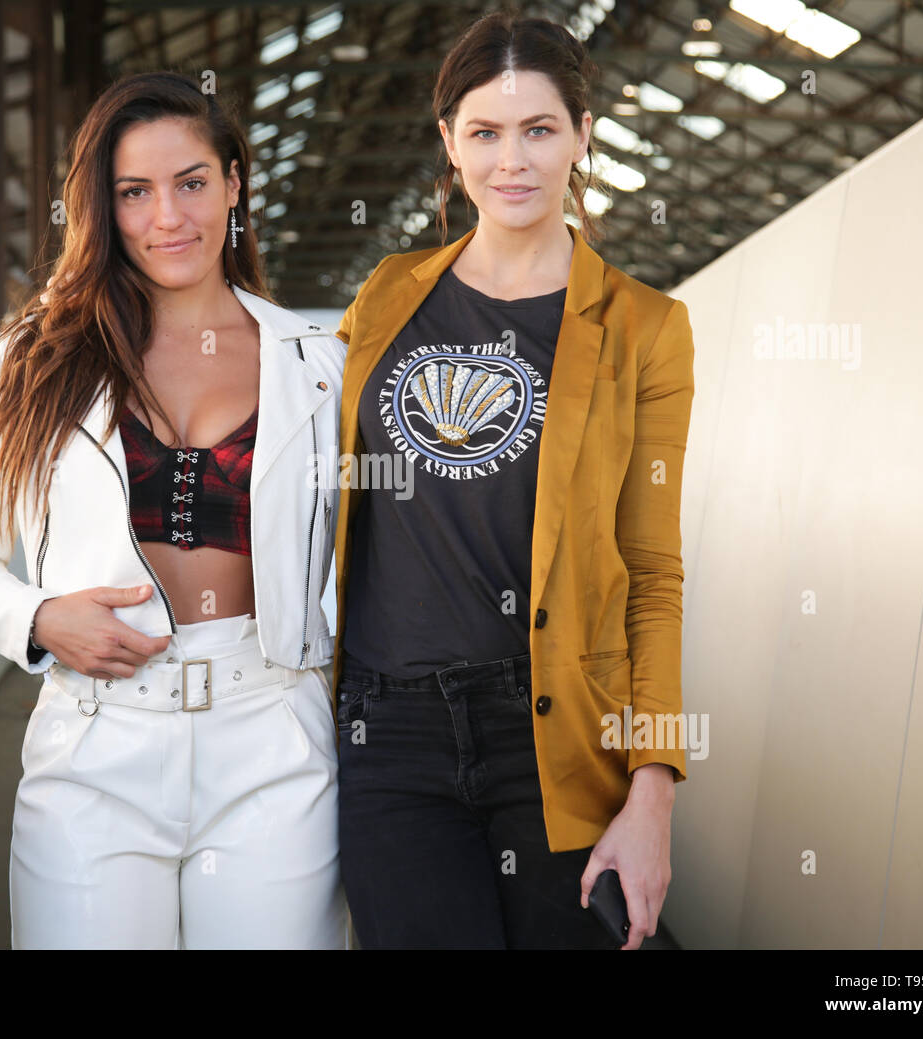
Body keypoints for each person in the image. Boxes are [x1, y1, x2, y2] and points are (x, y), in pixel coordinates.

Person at [0, 72, 347, 950]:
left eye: (191, 182)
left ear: (233, 184)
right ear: (102, 209)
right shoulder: (36, 357)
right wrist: (37, 616)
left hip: (271, 742)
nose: (168, 217)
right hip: (95, 747)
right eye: (134, 193)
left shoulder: (317, 361)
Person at [330, 11, 695, 949]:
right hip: (389, 726)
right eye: (485, 133)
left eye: (539, 129)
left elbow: (651, 572)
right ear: (448, 143)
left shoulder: (645, 327)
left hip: (555, 730)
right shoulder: (386, 296)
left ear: (582, 135)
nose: (513, 161)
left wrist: (654, 787)